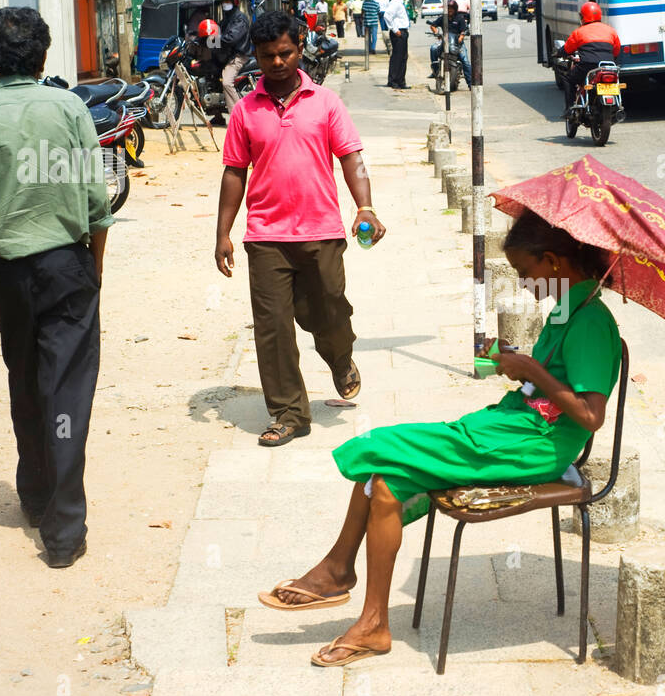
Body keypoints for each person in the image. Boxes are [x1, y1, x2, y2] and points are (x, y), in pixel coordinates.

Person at [257, 211, 623, 667]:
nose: (526, 284)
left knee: (380, 445)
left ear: (552, 262)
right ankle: (370, 620)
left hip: (535, 446)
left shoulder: (589, 321)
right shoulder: (567, 309)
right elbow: (552, 381)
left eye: (526, 273)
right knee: (386, 482)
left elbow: (590, 416)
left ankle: (337, 572)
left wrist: (528, 369)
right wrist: (518, 362)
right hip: (511, 430)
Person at [0, 7, 113, 569]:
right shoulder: (69, 108)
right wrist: (95, 268)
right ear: (44, 55)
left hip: (4, 273)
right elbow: (96, 202)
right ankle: (63, 532)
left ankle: (36, 495)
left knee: (23, 377)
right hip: (66, 265)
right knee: (65, 389)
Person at [216, 12, 386, 447]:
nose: (277, 62)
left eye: (285, 52)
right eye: (267, 54)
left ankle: (339, 354)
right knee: (272, 328)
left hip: (321, 231)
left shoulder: (326, 102)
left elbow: (352, 157)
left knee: (328, 310)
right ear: (255, 55)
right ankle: (289, 413)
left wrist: (365, 206)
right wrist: (223, 233)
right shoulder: (245, 112)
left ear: (300, 48)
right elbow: (235, 172)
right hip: (266, 236)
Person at [559, 1, 621, 118]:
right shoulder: (610, 30)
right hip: (608, 66)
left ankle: (569, 110)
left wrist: (558, 53)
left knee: (568, 79)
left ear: (583, 17)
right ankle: (618, 106)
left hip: (587, 67)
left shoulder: (579, 32)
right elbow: (616, 50)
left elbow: (567, 49)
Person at [216, 0, 252, 115]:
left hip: (238, 56)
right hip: (226, 55)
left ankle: (239, 115)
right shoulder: (226, 19)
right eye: (223, 2)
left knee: (226, 82)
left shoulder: (239, 19)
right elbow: (217, 30)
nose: (225, 4)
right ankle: (217, 114)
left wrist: (216, 40)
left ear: (234, 2)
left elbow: (231, 38)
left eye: (227, 1)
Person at [427, 0, 471, 87]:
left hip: (457, 43)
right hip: (445, 42)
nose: (450, 10)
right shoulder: (443, 18)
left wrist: (461, 37)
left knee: (465, 61)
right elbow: (433, 26)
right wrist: (436, 33)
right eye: (448, 8)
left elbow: (464, 30)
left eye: (452, 8)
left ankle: (470, 83)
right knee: (433, 48)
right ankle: (435, 71)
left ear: (455, 9)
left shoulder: (459, 18)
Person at [383, 0, 411, 90]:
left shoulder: (399, 2)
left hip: (402, 31)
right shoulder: (396, 2)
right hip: (398, 33)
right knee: (398, 57)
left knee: (402, 57)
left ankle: (400, 80)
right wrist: (395, 30)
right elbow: (387, 15)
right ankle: (395, 81)